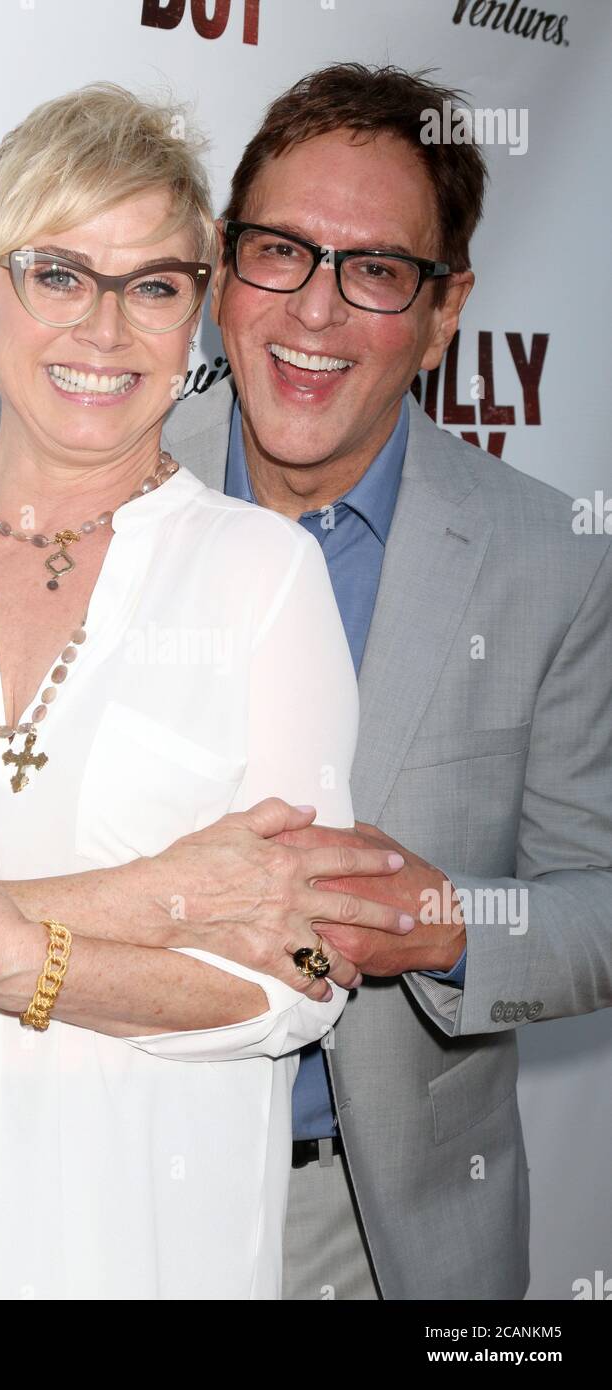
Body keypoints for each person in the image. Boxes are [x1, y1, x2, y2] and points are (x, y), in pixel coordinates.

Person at [0, 83, 403, 1302]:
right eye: (59, 274)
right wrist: (163, 896)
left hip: (152, 1244)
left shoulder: (262, 574)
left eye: (152, 285)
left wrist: (10, 952)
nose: (104, 331)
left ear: (195, 315)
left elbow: (296, 975)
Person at [159, 63, 612, 1300]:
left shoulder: (551, 561)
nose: (312, 313)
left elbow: (599, 897)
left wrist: (446, 924)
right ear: (220, 270)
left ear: (442, 307)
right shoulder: (106, 503)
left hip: (375, 1239)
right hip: (112, 1183)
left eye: (374, 271)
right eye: (279, 253)